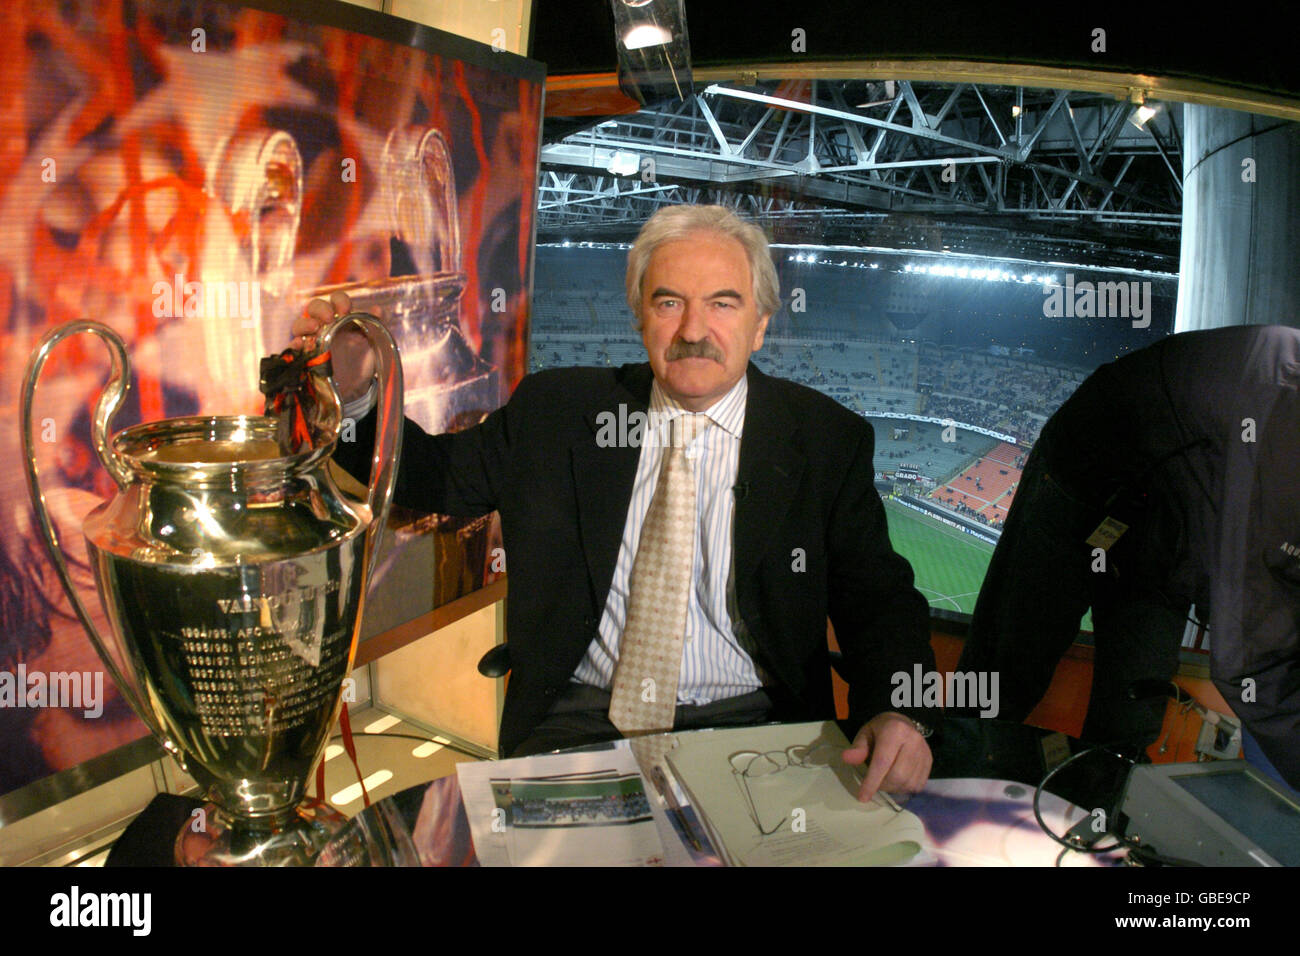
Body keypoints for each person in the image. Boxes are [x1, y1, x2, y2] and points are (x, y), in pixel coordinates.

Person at [297, 205, 937, 800]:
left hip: (759, 725)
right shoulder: (558, 412)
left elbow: (877, 597)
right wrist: (353, 398)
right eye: (669, 302)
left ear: (761, 324)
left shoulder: (824, 439)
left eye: (723, 303)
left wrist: (897, 710)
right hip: (579, 721)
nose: (693, 331)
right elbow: (430, 480)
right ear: (639, 314)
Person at [957, 324, 1300, 791]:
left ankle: (1093, 839)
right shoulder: (1283, 430)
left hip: (1168, 534)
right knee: (1002, 674)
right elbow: (1254, 661)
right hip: (1082, 483)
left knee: (1130, 718)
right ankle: (938, 800)